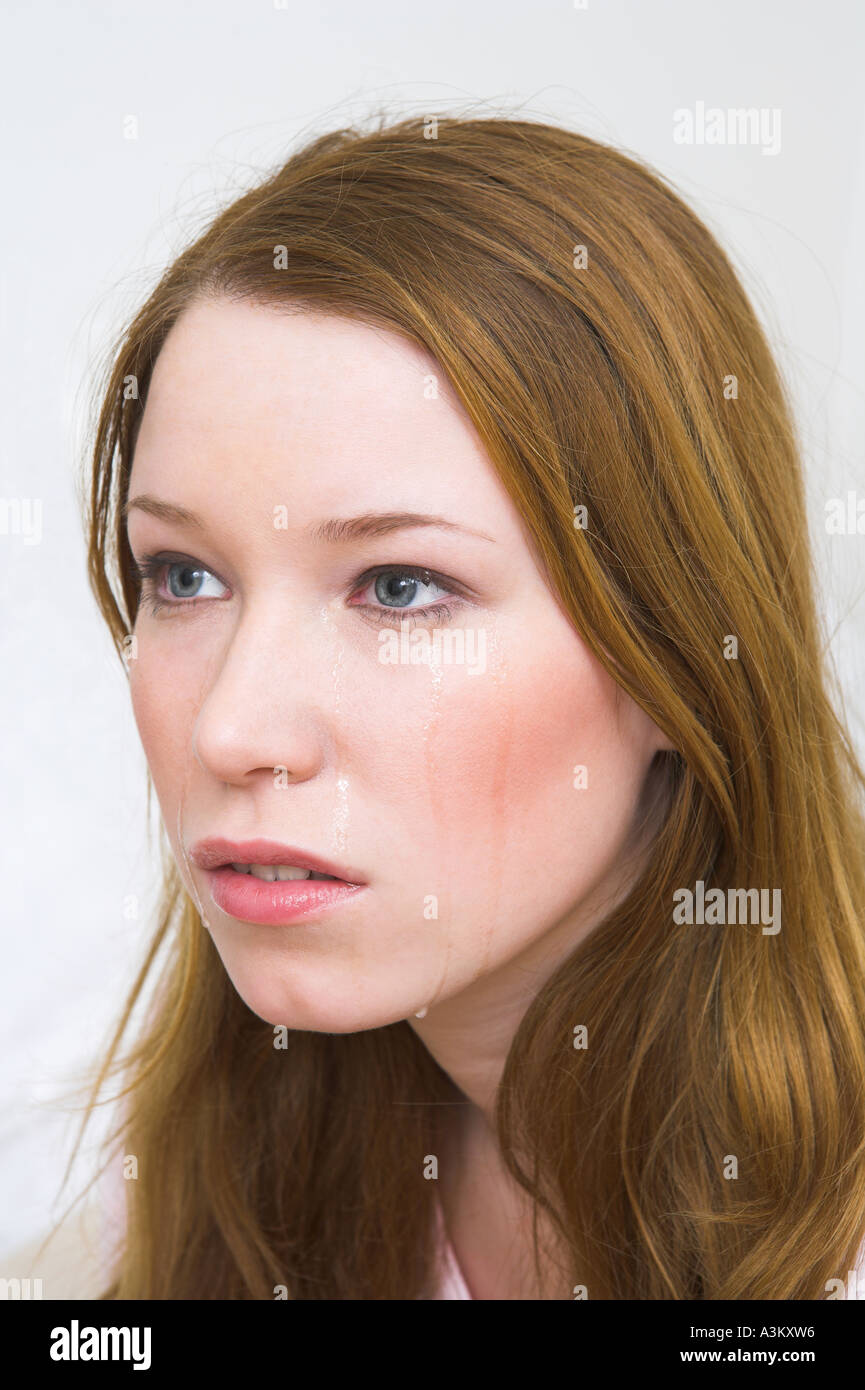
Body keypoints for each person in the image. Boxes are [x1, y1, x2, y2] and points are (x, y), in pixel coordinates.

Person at [30, 113, 865, 1299]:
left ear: (683, 655)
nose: (231, 729)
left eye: (401, 588)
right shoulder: (177, 1194)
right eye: (184, 575)